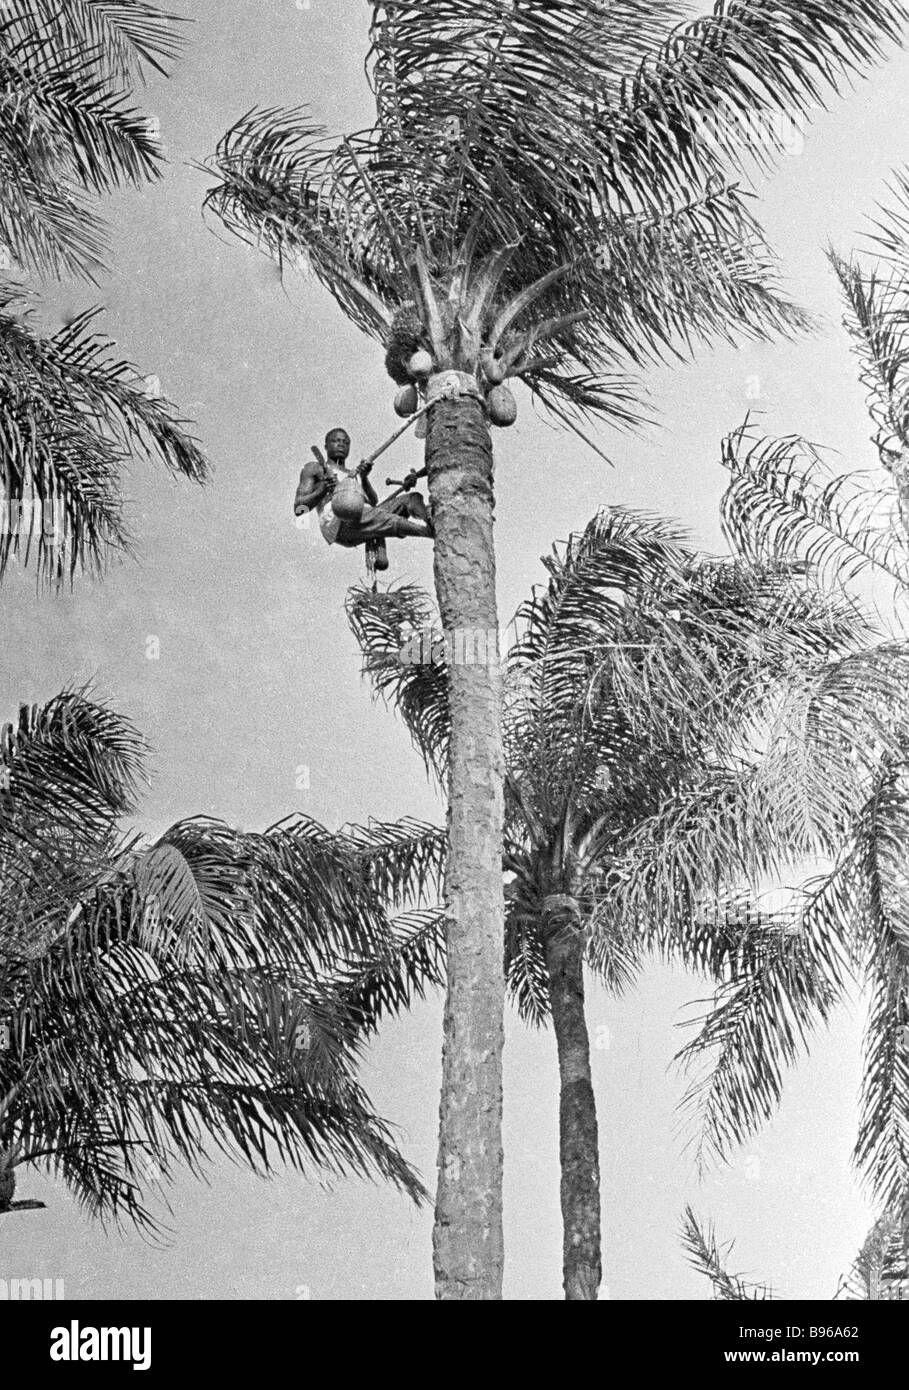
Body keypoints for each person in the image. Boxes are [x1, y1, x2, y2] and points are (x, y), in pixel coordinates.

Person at [294, 428, 433, 571]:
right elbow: (299, 509)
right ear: (326, 446)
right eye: (336, 441)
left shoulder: (351, 475)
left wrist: (364, 478)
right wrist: (322, 489)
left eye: (345, 442)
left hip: (359, 516)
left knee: (411, 499)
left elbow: (372, 502)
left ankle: (430, 521)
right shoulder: (315, 468)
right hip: (338, 524)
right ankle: (430, 533)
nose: (341, 444)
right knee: (385, 519)